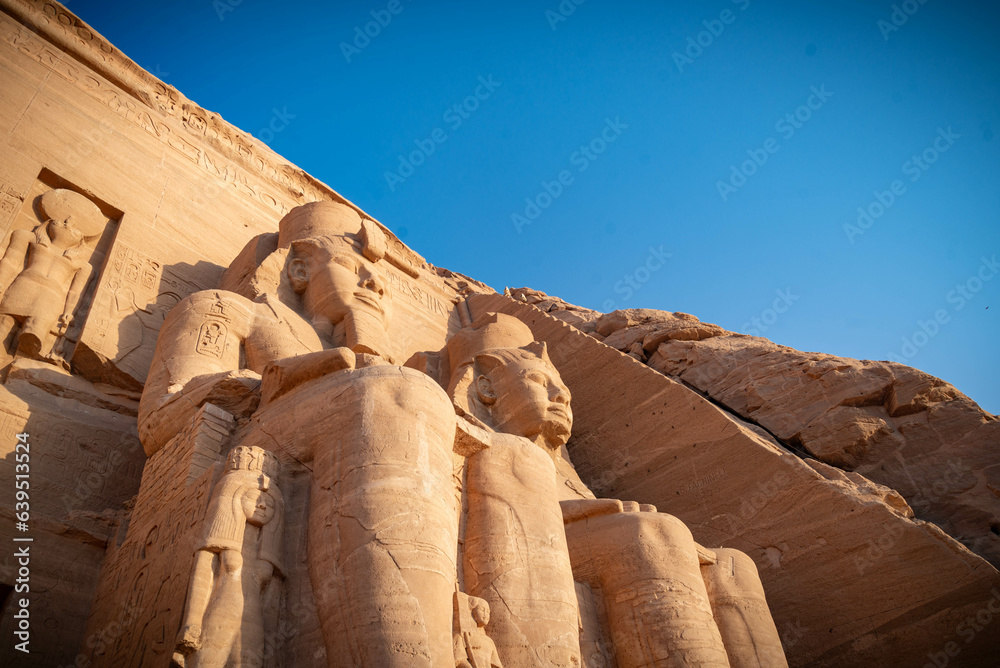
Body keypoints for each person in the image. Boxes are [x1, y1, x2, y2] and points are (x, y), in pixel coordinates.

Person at [141, 201, 460, 667]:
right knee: (389, 392)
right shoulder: (224, 309)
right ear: (298, 269)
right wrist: (282, 376)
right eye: (355, 269)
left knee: (403, 394)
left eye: (382, 283)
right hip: (259, 438)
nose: (374, 285)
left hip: (347, 418)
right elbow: (159, 419)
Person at [446, 313, 787, 668]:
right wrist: (595, 512)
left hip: (570, 538)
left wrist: (599, 510)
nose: (559, 397)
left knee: (733, 565)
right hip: (519, 542)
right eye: (538, 381)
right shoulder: (490, 442)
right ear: (486, 389)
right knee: (653, 533)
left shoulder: (562, 465)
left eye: (563, 391)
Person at [173, 446, 284, 668]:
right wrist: (192, 623)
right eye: (253, 497)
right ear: (233, 499)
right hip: (217, 617)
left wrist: (274, 650)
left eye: (269, 503)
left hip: (254, 627)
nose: (261, 504)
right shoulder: (220, 547)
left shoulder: (268, 561)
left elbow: (272, 608)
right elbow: (202, 578)